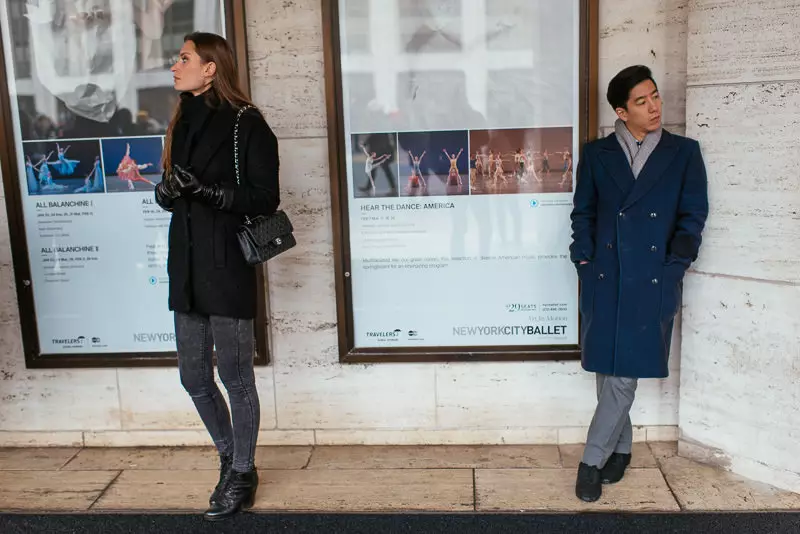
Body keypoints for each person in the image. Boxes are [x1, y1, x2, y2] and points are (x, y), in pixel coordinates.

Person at [154, 32, 280, 521]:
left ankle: (242, 473)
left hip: (225, 263)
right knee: (193, 377)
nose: (174, 65)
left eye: (183, 58)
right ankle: (231, 457)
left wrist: (209, 193)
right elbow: (171, 195)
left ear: (211, 68)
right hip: (184, 264)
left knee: (235, 377)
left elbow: (265, 197)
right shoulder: (182, 119)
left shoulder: (247, 124)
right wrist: (168, 192)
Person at [570, 65, 708, 502]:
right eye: (642, 101)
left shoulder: (684, 153)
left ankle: (591, 459)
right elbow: (584, 214)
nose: (654, 107)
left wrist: (676, 265)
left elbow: (692, 216)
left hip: (651, 279)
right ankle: (622, 448)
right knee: (607, 370)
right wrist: (584, 258)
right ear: (620, 110)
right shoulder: (597, 155)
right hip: (604, 276)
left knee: (623, 374)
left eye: (655, 97)